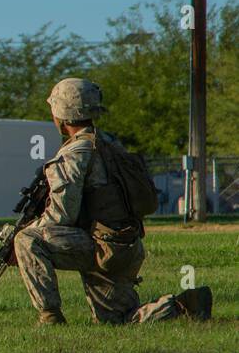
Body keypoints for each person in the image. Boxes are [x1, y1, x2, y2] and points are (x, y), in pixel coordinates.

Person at [13, 78, 212, 325]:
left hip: (102, 247)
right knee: (116, 320)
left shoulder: (75, 153)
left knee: (27, 240)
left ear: (60, 117)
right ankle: (183, 305)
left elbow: (62, 216)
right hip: (126, 245)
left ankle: (50, 316)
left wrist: (24, 231)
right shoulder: (110, 143)